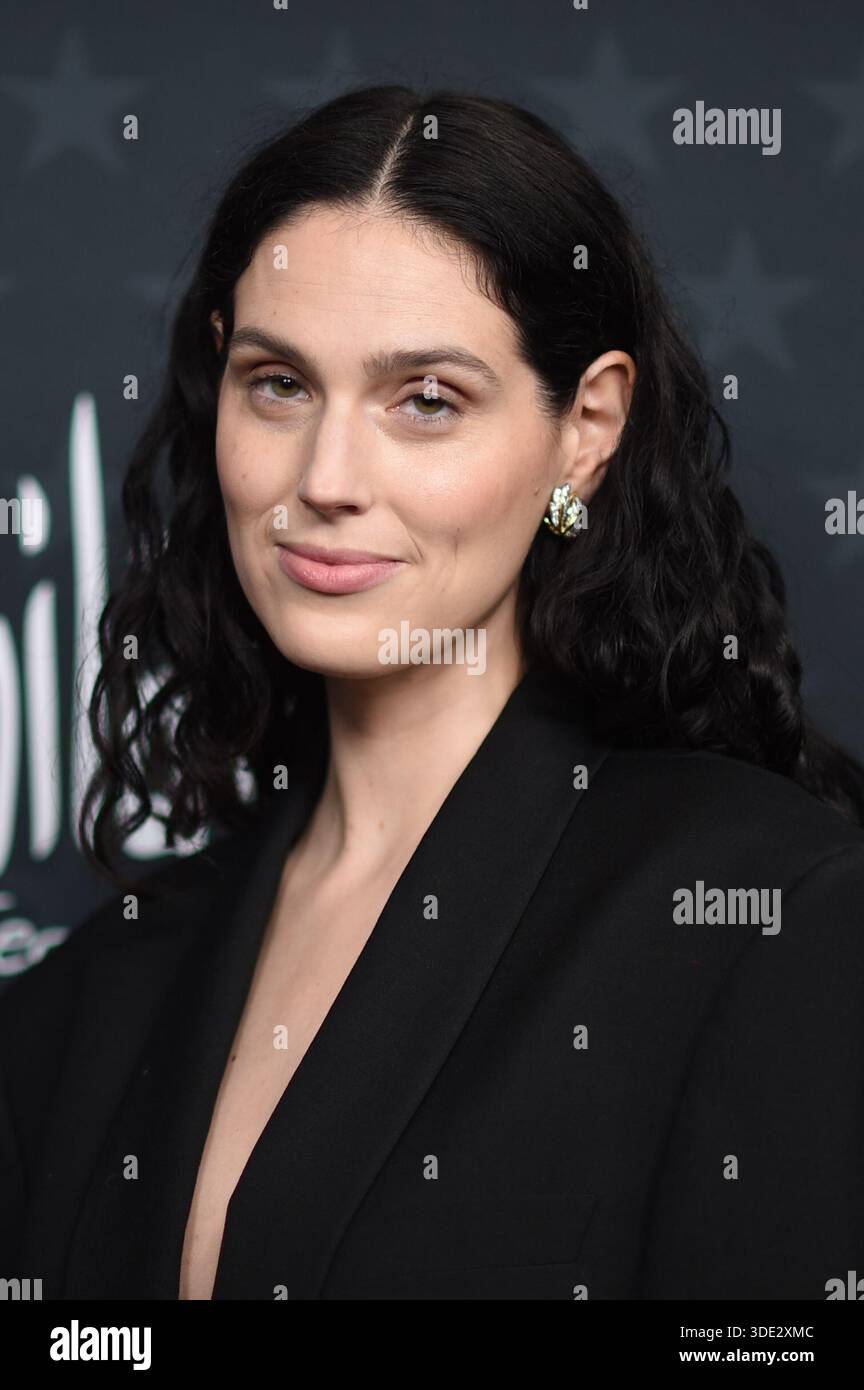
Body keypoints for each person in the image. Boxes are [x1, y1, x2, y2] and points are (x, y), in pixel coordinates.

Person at [1, 84, 863, 1302]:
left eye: (427, 400)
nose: (328, 478)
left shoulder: (766, 910)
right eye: (280, 384)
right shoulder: (85, 1003)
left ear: (586, 431)